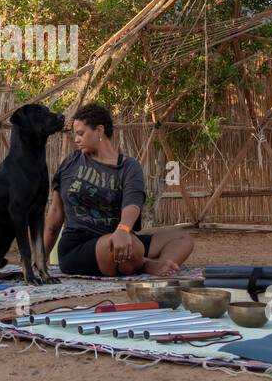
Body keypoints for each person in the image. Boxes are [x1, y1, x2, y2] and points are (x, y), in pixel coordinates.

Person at [44, 102, 194, 277]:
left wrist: (122, 229)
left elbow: (133, 203)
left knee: (183, 238)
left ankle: (163, 266)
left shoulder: (128, 166)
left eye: (80, 133)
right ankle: (145, 265)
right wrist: (41, 257)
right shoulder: (71, 162)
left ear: (99, 131)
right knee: (130, 246)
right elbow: (55, 212)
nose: (76, 139)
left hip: (120, 235)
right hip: (79, 246)